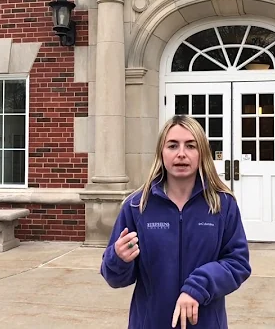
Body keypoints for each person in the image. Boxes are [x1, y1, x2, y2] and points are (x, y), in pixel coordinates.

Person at [100, 115, 252, 329]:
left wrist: (198, 287)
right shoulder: (137, 206)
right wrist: (118, 258)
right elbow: (115, 278)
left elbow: (238, 263)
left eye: (190, 145)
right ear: (161, 153)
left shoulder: (222, 205)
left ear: (202, 153)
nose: (181, 153)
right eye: (172, 145)